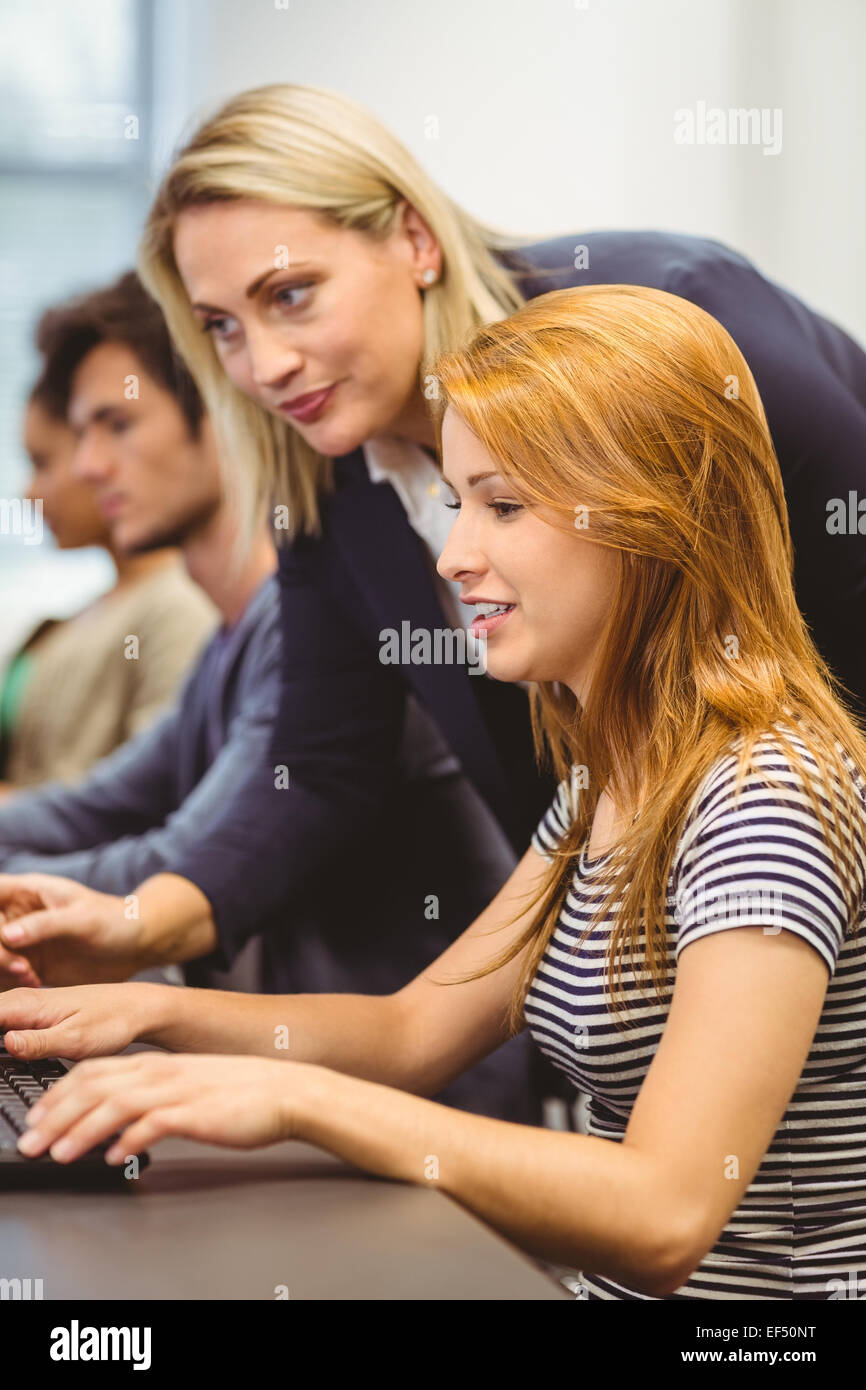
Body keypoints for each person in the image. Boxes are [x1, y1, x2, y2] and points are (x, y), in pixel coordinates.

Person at [1, 83, 865, 1128]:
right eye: (221, 326)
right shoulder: (337, 470)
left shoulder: (685, 325)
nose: (262, 366)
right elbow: (320, 765)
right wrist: (140, 935)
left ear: (412, 237)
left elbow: (657, 1214)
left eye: (291, 296)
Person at [3, 285, 864, 1301]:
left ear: (651, 515)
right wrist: (112, 1018)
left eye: (502, 505)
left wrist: (292, 1097)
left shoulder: (762, 794)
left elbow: (664, 1212)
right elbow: (414, 1032)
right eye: (457, 504)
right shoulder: (609, 780)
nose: (454, 556)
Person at [0, 269, 278, 993]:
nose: (88, 467)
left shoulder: (302, 629)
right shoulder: (229, 640)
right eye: (83, 434)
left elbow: (178, 857)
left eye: (117, 425)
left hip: (371, 1091)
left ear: (224, 407)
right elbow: (89, 808)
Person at [0, 367, 216, 790]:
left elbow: (158, 793)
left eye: (43, 463)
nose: (30, 495)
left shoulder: (178, 602)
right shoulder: (77, 614)